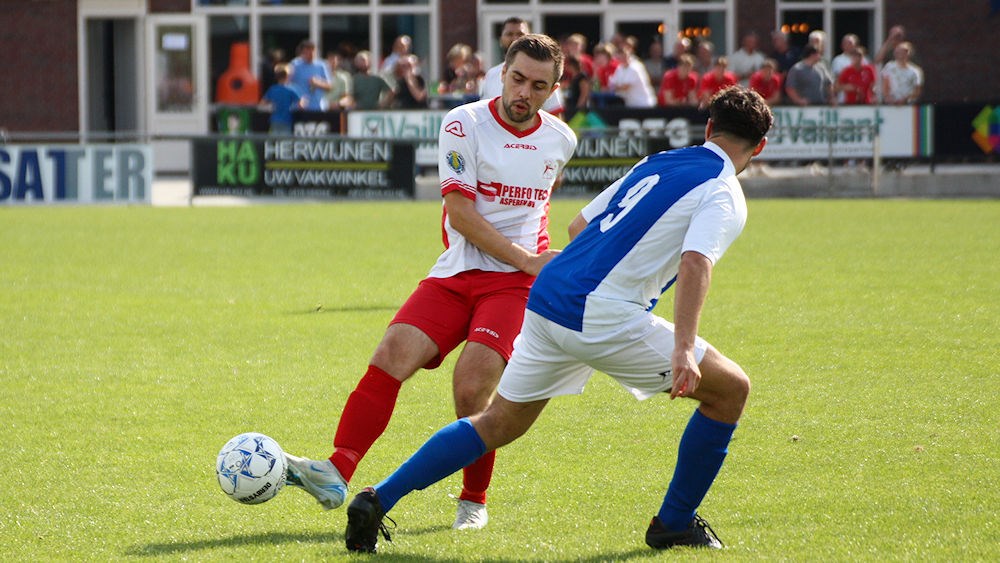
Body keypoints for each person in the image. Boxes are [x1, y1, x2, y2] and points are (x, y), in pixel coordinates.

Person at [342, 85, 773, 554]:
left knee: (499, 421)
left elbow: (578, 227)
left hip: (551, 295)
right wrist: (684, 348)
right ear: (759, 147)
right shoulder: (724, 191)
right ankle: (674, 523)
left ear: (708, 128)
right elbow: (695, 263)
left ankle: (377, 499)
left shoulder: (661, 161)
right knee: (731, 390)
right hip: (601, 313)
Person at [282, 33, 577, 534]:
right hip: (459, 269)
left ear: (553, 90)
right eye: (517, 79)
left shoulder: (561, 139)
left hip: (513, 285)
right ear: (502, 74)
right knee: (391, 354)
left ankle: (473, 500)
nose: (524, 92)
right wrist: (527, 258)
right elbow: (460, 214)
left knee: (472, 386)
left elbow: (541, 199)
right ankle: (337, 470)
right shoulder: (463, 123)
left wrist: (530, 262)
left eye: (538, 86)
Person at [481, 17, 564, 118]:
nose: (515, 38)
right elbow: (484, 112)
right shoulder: (491, 74)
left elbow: (555, 117)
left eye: (520, 34)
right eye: (509, 34)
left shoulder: (544, 74)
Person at [607, 38, 656, 108]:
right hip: (631, 105)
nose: (621, 55)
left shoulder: (635, 67)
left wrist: (615, 87)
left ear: (629, 52)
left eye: (623, 52)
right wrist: (613, 87)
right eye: (619, 52)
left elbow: (625, 87)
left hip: (645, 105)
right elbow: (612, 84)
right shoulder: (620, 68)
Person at [259, 63, 304, 135]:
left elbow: (262, 104)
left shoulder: (272, 89)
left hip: (274, 120)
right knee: (285, 140)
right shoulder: (291, 90)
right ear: (287, 76)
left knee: (274, 139)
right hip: (287, 120)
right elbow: (301, 105)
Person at [289, 39, 332, 111]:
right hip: (299, 108)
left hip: (317, 107)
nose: (311, 54)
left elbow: (329, 87)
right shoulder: (295, 65)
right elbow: (287, 84)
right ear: (302, 53)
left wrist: (318, 83)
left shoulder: (322, 65)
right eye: (307, 52)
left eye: (313, 51)